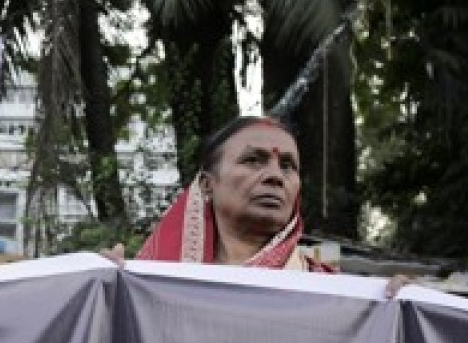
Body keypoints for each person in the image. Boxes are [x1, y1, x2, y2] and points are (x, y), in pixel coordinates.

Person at [106, 115, 331, 272]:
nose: (275, 176)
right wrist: (107, 296)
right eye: (253, 160)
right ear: (206, 184)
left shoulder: (329, 292)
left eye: (287, 166)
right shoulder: (155, 281)